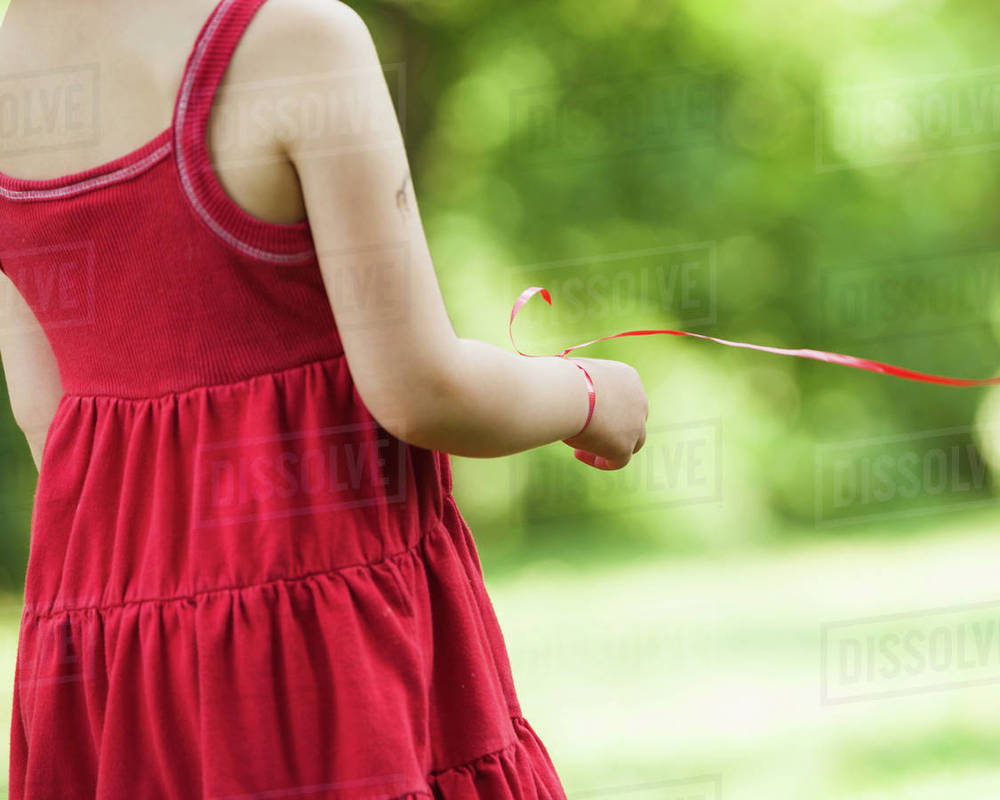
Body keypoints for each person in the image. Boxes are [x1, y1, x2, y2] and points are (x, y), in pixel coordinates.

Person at [0, 0, 648, 796]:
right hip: (316, 634)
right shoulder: (297, 41)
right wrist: (591, 395)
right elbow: (418, 386)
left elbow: (51, 424)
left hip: (112, 651)